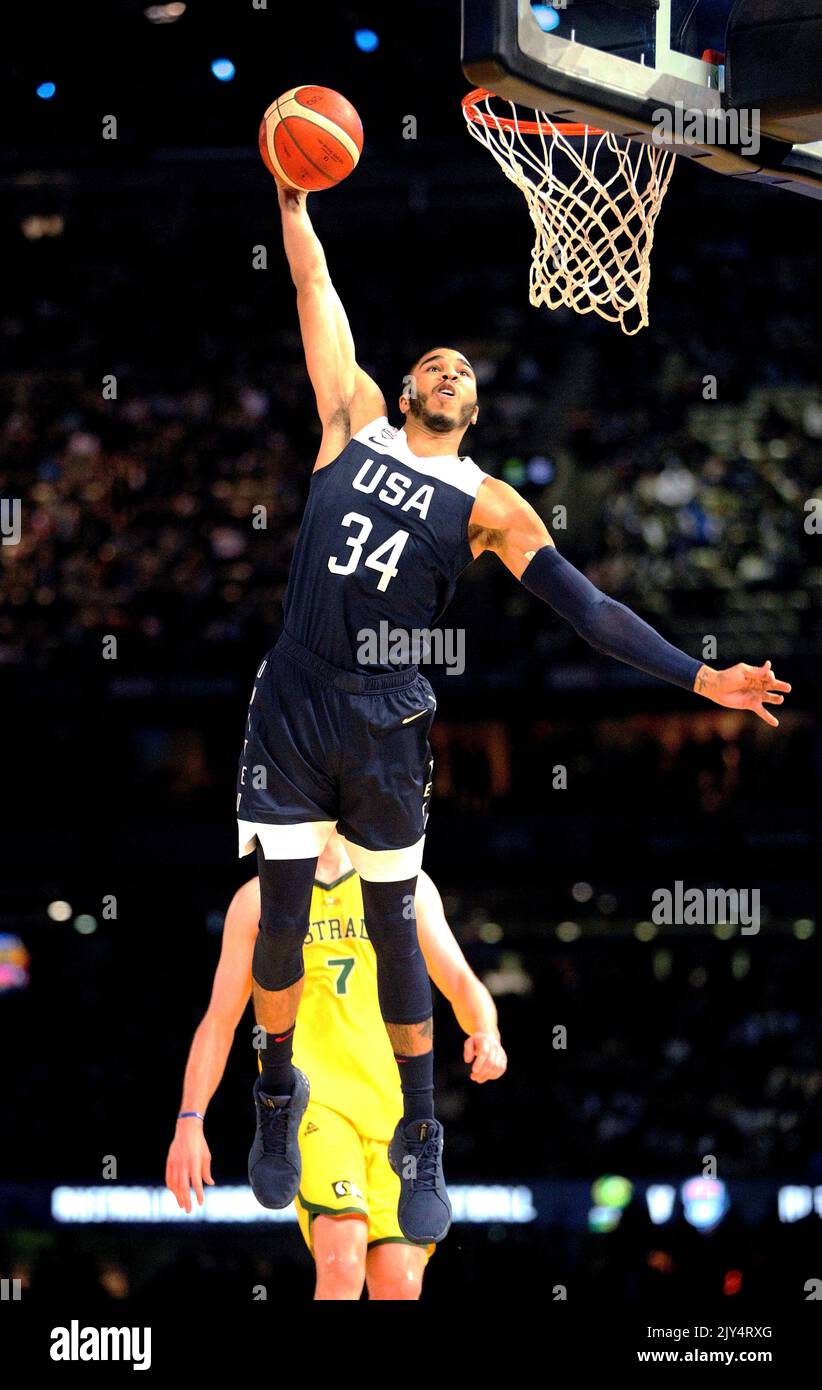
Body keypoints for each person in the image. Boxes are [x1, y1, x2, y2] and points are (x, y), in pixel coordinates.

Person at [236, 179, 791, 1245]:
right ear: (404, 387)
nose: (452, 371)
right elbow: (312, 281)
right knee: (284, 918)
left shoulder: (492, 505)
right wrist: (293, 201)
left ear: (474, 410)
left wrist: (700, 675)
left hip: (390, 715)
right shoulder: (349, 416)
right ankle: (274, 1094)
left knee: (398, 926)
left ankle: (424, 1131)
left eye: (468, 373)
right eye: (436, 363)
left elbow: (590, 608)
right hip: (296, 695)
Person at [166, 832, 506, 1299]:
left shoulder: (403, 884)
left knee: (399, 1285)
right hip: (315, 1108)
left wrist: (486, 1031)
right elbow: (219, 1020)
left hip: (396, 1114)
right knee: (341, 1262)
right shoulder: (260, 898)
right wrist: (190, 1119)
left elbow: (462, 983)